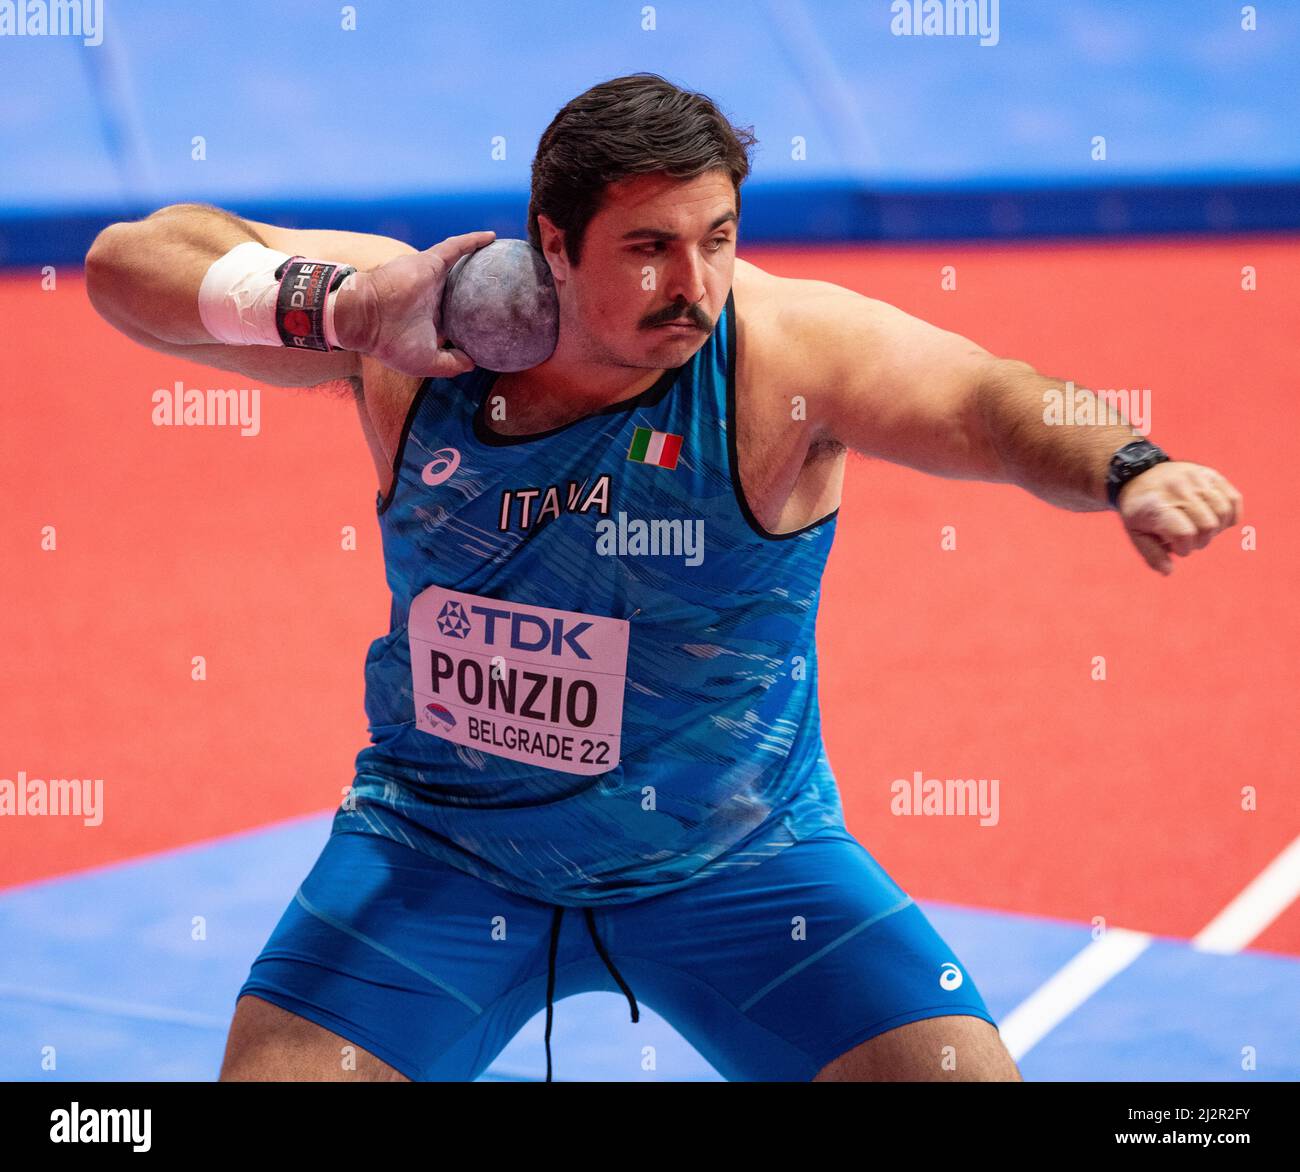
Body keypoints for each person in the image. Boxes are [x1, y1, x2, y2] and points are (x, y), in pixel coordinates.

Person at [85, 73, 1240, 1082]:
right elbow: (126, 266)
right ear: (551, 240)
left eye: (718, 237)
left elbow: (990, 400)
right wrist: (340, 304)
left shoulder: (784, 353)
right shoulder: (413, 329)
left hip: (740, 865)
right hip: (438, 850)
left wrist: (1125, 465)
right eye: (647, 248)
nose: (695, 282)